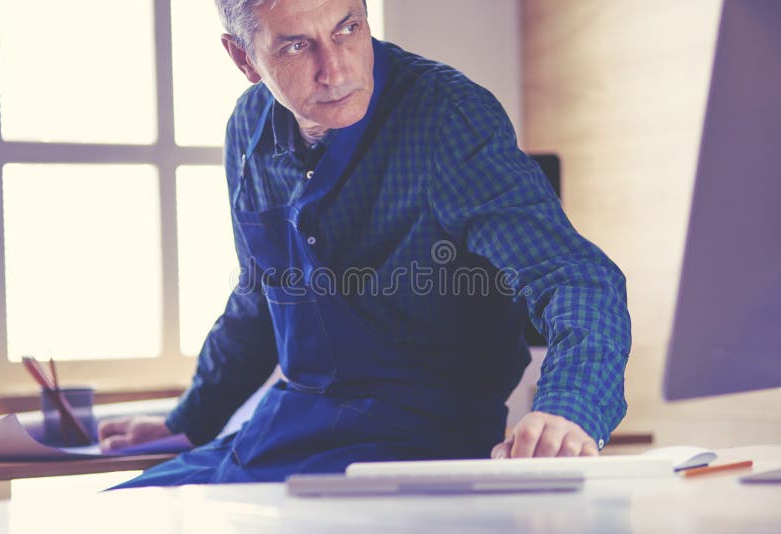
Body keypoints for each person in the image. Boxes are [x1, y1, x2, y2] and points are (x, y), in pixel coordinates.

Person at [100, 0, 631, 487]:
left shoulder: (446, 116)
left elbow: (575, 278)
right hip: (280, 435)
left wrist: (569, 409)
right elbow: (259, 300)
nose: (336, 69)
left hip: (416, 450)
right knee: (107, 512)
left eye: (348, 28)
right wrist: (188, 421)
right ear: (244, 58)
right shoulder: (248, 128)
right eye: (295, 45)